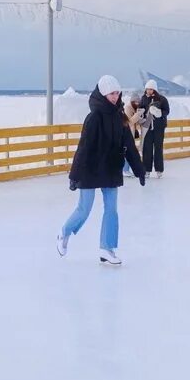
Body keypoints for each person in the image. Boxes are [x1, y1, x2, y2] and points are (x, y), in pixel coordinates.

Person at [58, 75, 145, 265]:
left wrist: (139, 169)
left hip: (111, 168)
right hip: (90, 168)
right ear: (104, 93)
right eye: (111, 94)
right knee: (84, 210)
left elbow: (129, 145)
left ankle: (107, 248)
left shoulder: (120, 116)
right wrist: (75, 175)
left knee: (111, 210)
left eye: (117, 93)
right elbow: (84, 147)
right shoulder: (94, 118)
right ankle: (64, 232)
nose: (115, 97)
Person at [139, 79, 170, 178]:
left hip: (159, 127)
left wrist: (160, 113)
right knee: (147, 149)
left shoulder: (162, 99)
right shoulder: (143, 99)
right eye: (147, 89)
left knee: (158, 148)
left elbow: (167, 110)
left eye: (151, 89)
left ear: (155, 90)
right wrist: (142, 116)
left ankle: (159, 170)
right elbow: (139, 110)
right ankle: (146, 170)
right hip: (147, 127)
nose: (149, 91)